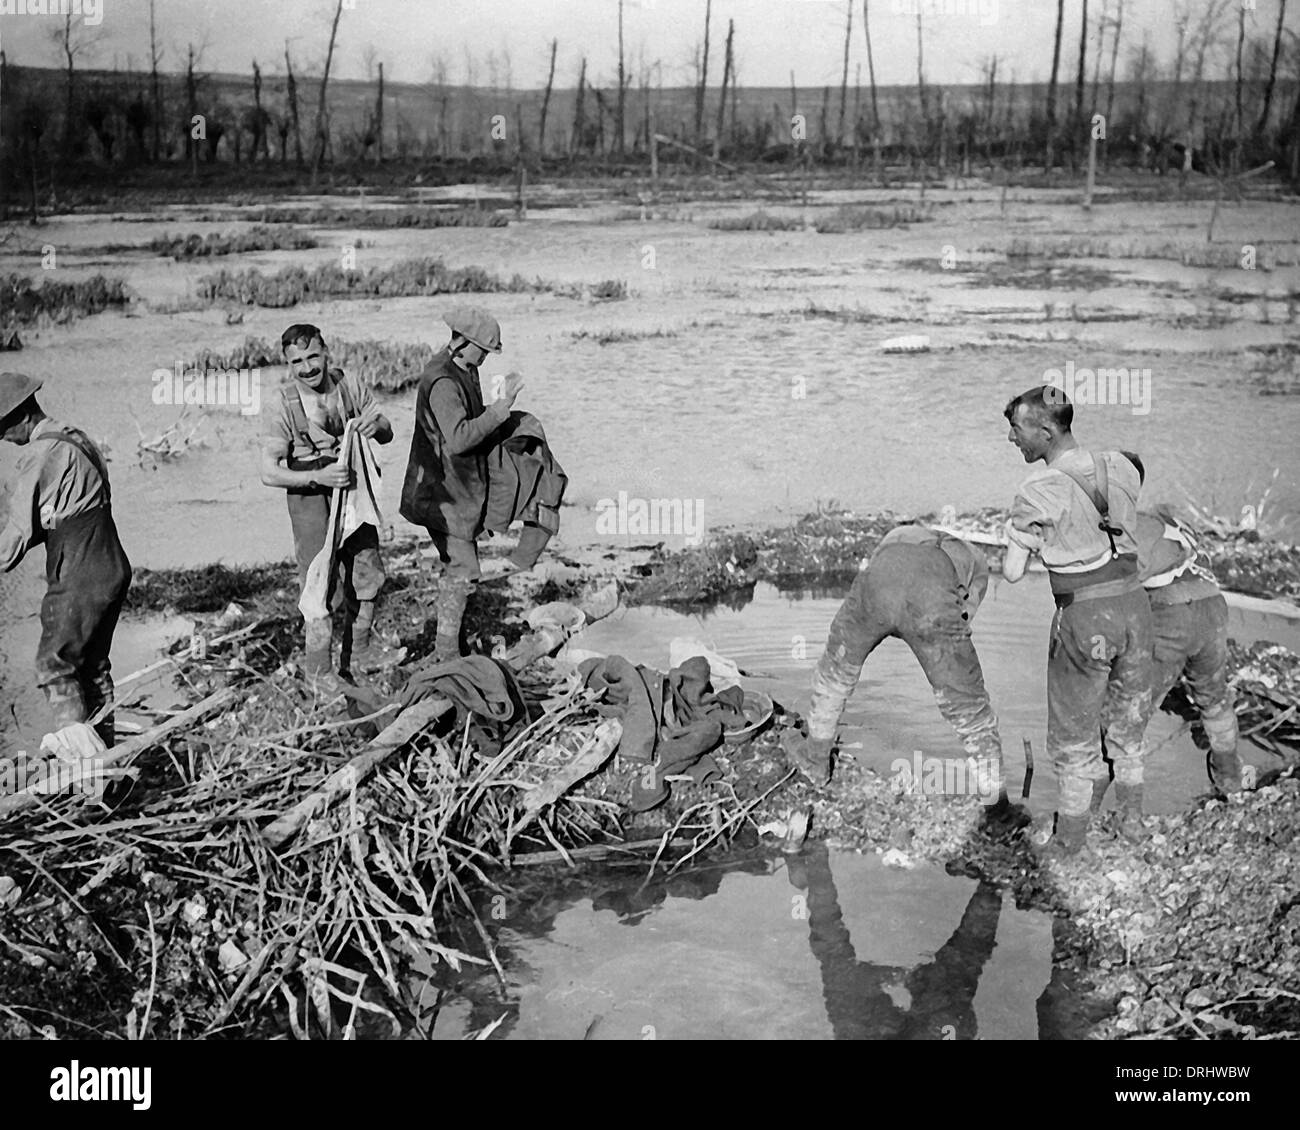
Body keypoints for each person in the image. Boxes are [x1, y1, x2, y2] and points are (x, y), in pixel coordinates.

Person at [1001, 386, 1153, 858]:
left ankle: (1070, 841)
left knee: (1072, 735)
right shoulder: (1121, 464)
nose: (1011, 439)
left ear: (1046, 431)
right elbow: (1128, 491)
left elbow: (1011, 572)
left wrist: (1017, 534)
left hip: (1085, 616)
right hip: (1135, 608)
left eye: (1017, 429)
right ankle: (1131, 824)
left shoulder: (1037, 490)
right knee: (1128, 724)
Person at [784, 524, 1011, 816]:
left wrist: (891, 622)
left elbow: (883, 579)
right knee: (970, 710)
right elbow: (962, 622)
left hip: (877, 585)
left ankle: (816, 762)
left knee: (835, 673)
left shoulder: (899, 532)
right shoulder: (977, 561)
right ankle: (997, 806)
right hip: (931, 600)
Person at [0, 372, 132, 747]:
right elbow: (72, 505)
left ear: (21, 415)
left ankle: (83, 770)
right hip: (111, 561)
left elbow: (12, 543)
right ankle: (107, 761)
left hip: (80, 568)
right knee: (91, 665)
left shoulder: (39, 455)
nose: (3, 440)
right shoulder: (76, 436)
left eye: (1, 429)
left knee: (54, 664)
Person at [399, 306, 533, 661]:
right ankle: (447, 654)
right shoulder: (442, 381)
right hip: (440, 492)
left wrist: (499, 406)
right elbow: (458, 438)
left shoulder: (463, 368)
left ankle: (452, 646)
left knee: (459, 566)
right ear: (463, 343)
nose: (486, 358)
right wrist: (500, 409)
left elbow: (467, 423)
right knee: (464, 569)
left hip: (456, 488)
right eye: (484, 350)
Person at [261, 324, 393, 680]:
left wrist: (374, 425)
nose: (307, 368)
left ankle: (359, 655)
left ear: (326, 352)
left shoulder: (348, 384)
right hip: (309, 497)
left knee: (368, 573)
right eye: (297, 361)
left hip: (353, 488)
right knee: (318, 584)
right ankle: (319, 676)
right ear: (288, 364)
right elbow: (268, 472)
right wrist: (315, 477)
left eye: (313, 356)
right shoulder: (283, 403)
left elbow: (387, 431)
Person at [1109, 452, 1243, 798]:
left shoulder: (1132, 527)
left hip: (1173, 614)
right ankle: (1231, 784)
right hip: (1213, 607)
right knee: (1213, 698)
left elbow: (1122, 586)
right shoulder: (1168, 517)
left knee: (1129, 711)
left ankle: (1121, 811)